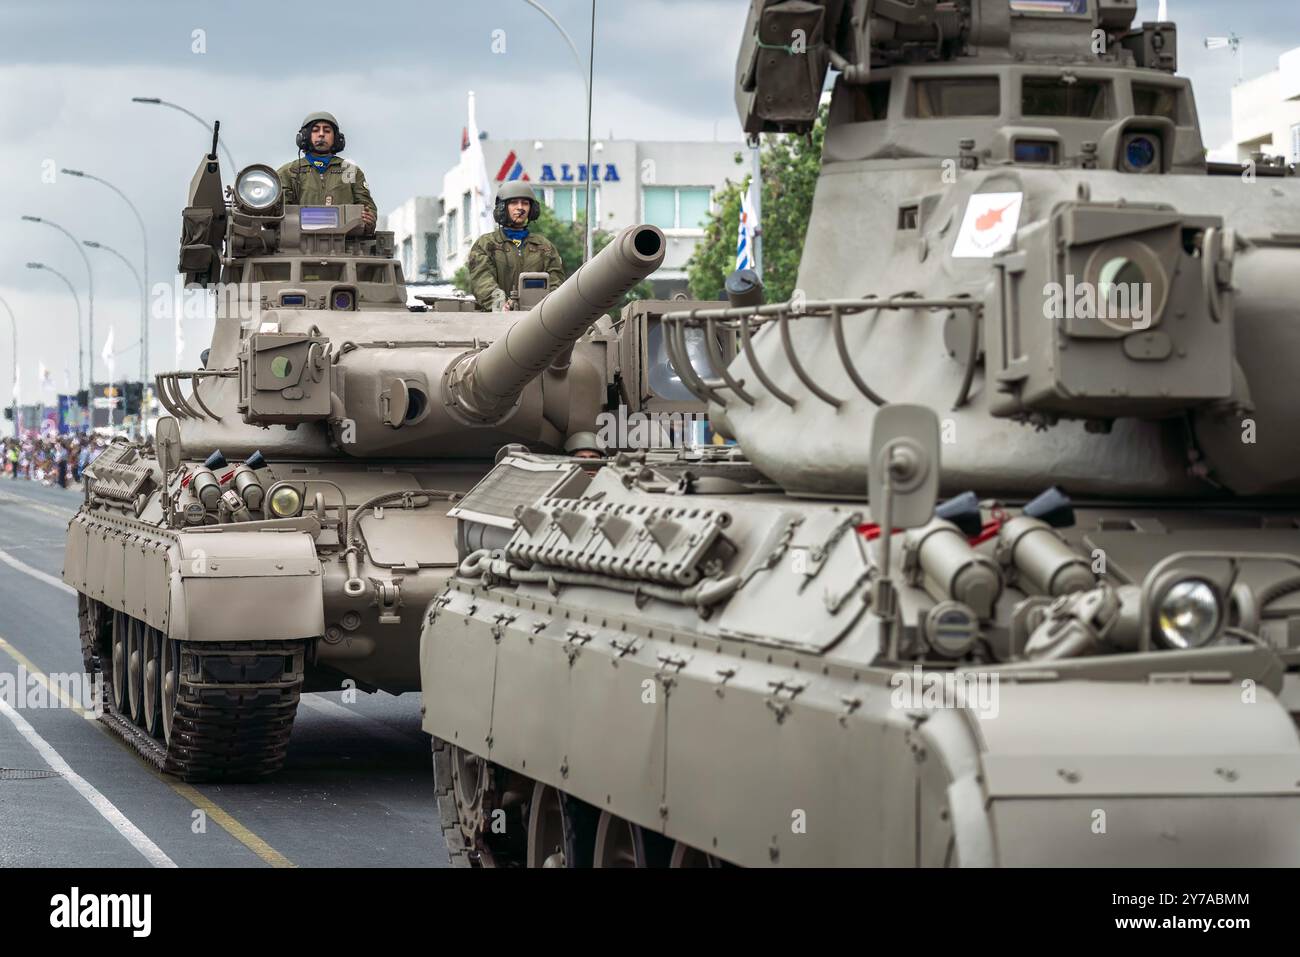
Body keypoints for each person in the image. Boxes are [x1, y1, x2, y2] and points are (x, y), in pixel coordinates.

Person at [466, 181, 564, 311]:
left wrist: (547, 307)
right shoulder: (486, 245)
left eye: (525, 203)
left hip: (538, 317)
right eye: (514, 203)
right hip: (496, 319)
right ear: (502, 208)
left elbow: (556, 283)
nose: (520, 208)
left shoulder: (544, 247)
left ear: (532, 209)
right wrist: (501, 304)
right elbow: (482, 281)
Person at [276, 111, 376, 231]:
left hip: (345, 242)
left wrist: (369, 219)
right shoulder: (288, 172)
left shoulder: (349, 171)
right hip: (298, 243)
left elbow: (366, 207)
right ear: (305, 136)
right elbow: (276, 215)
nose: (321, 134)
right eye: (316, 130)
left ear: (336, 138)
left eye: (327, 131)